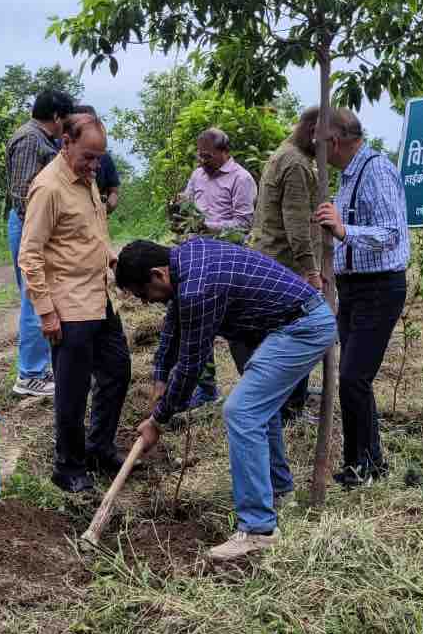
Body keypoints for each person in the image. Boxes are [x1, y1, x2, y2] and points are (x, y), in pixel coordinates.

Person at [116, 238, 337, 561]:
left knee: (242, 411)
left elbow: (192, 363)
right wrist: (161, 375)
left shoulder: (197, 288)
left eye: (142, 294)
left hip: (303, 327)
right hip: (285, 325)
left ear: (158, 274)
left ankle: (258, 530)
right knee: (258, 408)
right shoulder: (186, 258)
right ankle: (279, 490)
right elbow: (173, 325)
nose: (147, 302)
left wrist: (157, 420)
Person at [18, 113, 131, 493]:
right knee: (72, 388)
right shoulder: (48, 188)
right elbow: (30, 254)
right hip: (69, 307)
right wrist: (46, 313)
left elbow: (90, 235)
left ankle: (99, 448)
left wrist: (114, 260)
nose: (94, 165)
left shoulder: (88, 181)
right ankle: (68, 466)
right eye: (88, 156)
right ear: (65, 142)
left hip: (99, 297)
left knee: (118, 370)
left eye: (99, 158)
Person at [313, 108, 410, 488]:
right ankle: (367, 461)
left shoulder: (376, 170)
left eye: (320, 142)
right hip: (352, 288)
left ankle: (364, 465)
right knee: (354, 379)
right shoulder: (349, 176)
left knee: (353, 377)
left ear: (335, 142)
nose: (317, 149)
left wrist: (342, 229)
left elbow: (390, 233)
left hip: (379, 287)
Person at [242, 106, 323, 424]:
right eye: (326, 138)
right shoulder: (296, 163)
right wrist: (311, 270)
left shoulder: (285, 155)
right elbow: (297, 225)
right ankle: (290, 409)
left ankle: (286, 405)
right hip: (286, 268)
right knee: (297, 337)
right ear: (314, 129)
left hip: (272, 263)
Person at [176, 128, 259, 408]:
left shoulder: (242, 179)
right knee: (198, 325)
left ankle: (251, 389)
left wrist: (208, 226)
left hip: (227, 262)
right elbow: (187, 204)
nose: (202, 160)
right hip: (198, 260)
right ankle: (207, 388)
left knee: (236, 329)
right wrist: (180, 210)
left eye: (207, 156)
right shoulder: (198, 175)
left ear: (224, 152)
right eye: (199, 155)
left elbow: (245, 224)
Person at [5, 89, 75, 398]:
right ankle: (30, 373)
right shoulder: (29, 140)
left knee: (40, 293)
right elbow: (22, 194)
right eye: (67, 120)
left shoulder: (41, 139)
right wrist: (41, 232)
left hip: (33, 225)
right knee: (35, 295)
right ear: (57, 116)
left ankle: (39, 368)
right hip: (29, 226)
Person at [73, 105, 121, 214]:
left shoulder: (105, 158)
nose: (94, 165)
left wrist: (106, 206)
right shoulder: (56, 154)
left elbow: (114, 191)